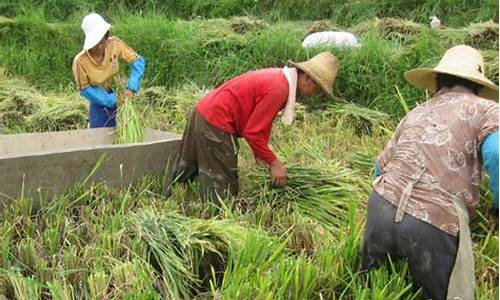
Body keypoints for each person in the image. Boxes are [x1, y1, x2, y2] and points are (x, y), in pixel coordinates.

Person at [361, 45, 498, 300]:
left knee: (374, 289)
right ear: (477, 85)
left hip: (380, 206)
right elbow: (497, 155)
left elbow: (380, 167)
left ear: (438, 80)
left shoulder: (417, 111)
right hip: (433, 221)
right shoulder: (487, 109)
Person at [164, 52, 340, 201]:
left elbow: (261, 124)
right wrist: (274, 163)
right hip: (217, 121)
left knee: (186, 166)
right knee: (223, 188)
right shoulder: (279, 89)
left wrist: (260, 154)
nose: (314, 95)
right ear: (308, 79)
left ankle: (167, 197)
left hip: (203, 110)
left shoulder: (280, 78)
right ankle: (215, 222)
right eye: (317, 90)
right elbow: (252, 132)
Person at [72, 13, 145, 128]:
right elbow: (85, 89)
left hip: (120, 93)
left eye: (103, 41)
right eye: (96, 43)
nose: (100, 47)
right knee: (99, 136)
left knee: (126, 130)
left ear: (107, 37)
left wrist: (131, 87)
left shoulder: (114, 44)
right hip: (99, 99)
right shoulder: (80, 61)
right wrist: (109, 100)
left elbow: (138, 61)